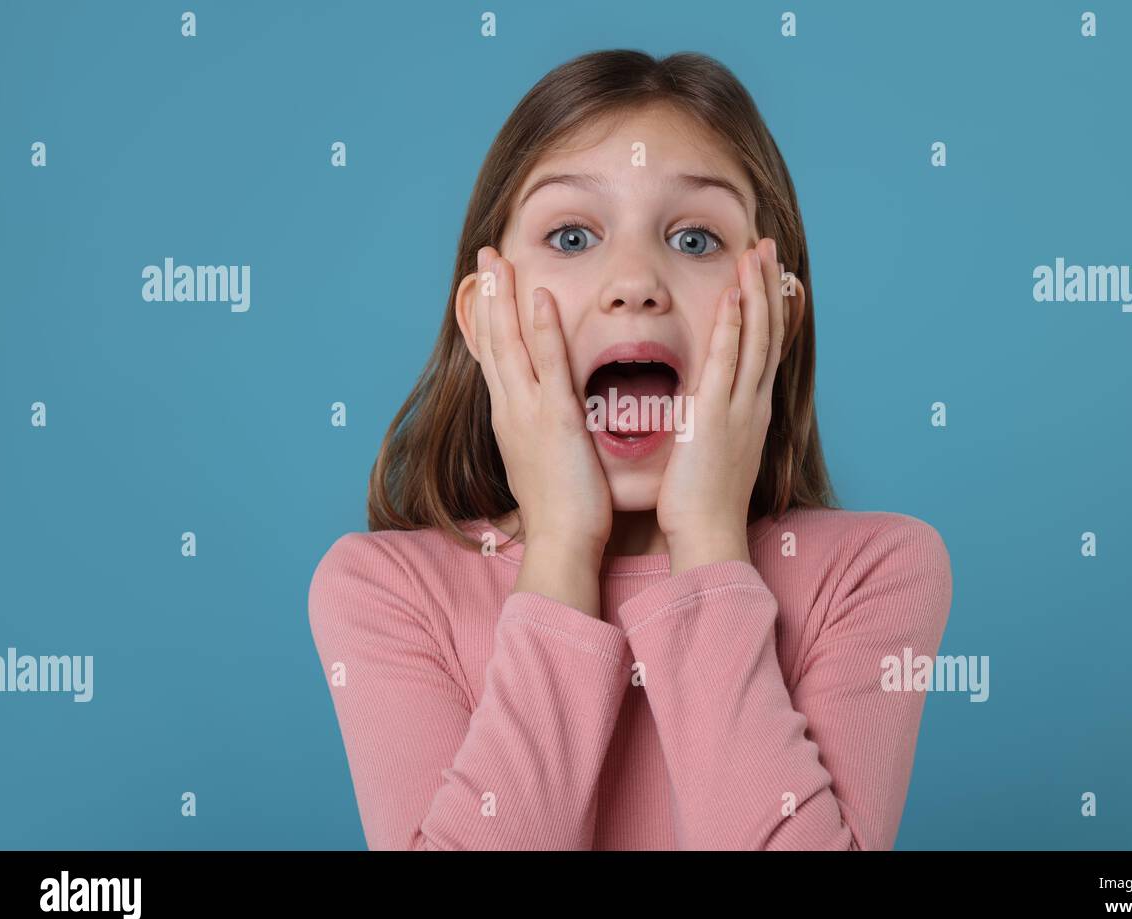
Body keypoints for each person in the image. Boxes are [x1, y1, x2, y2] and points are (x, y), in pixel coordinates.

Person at [308, 49, 952, 850]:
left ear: (777, 313)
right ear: (485, 317)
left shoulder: (874, 573)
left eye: (693, 239)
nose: (636, 280)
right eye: (573, 235)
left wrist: (711, 544)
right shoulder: (384, 592)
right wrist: (562, 547)